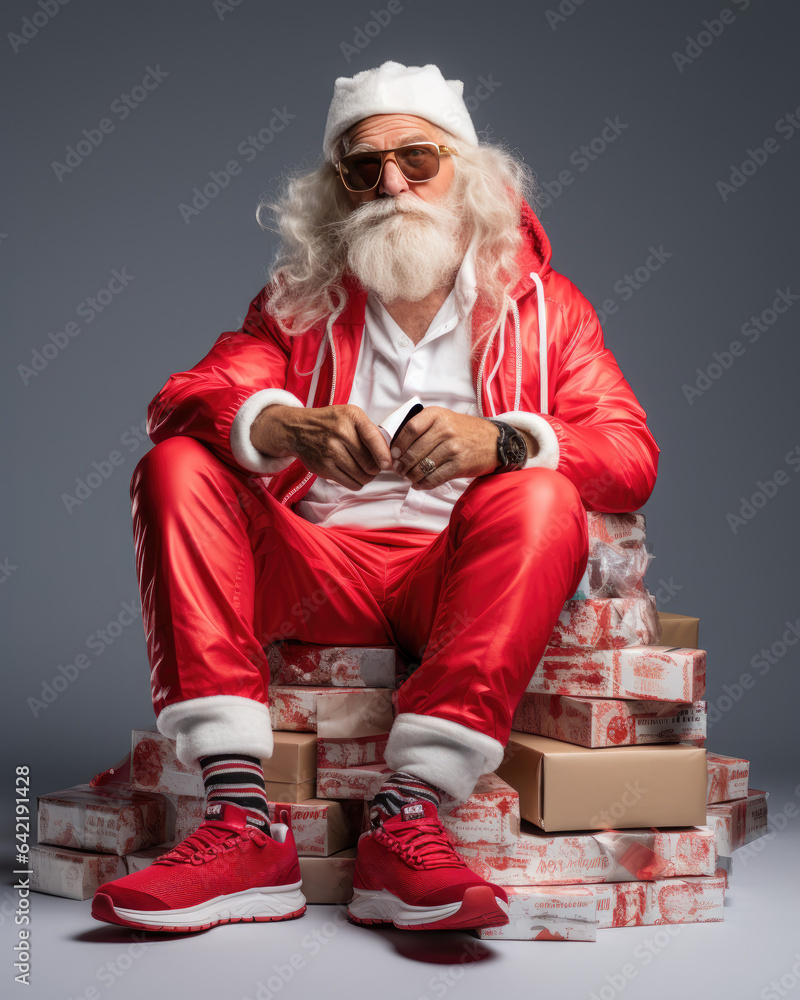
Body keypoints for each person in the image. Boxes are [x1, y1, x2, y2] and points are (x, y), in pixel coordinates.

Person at [91, 60, 659, 934]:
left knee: (541, 494)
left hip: (459, 586)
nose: (392, 183)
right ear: (339, 192)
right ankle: (243, 826)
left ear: (466, 171)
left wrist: (502, 441)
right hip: (318, 574)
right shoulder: (297, 305)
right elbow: (181, 397)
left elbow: (629, 452)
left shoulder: (550, 309)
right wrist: (285, 427)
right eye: (364, 168)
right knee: (173, 465)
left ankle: (405, 819)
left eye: (418, 160)